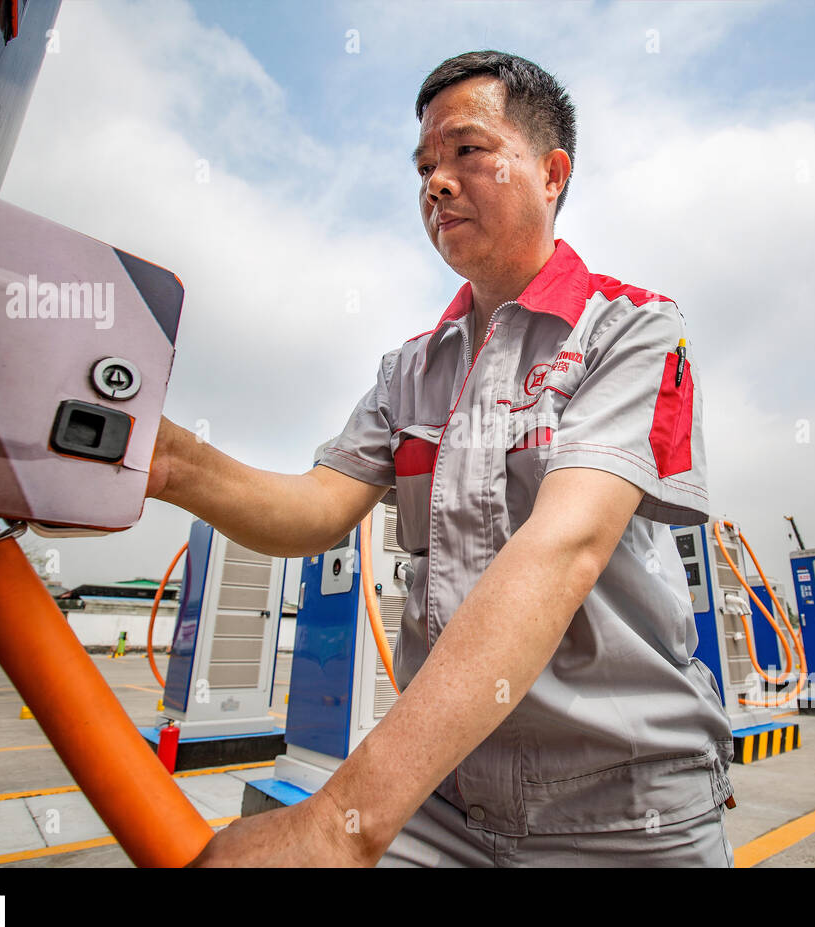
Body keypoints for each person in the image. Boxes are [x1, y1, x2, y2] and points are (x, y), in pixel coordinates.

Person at [150, 50, 733, 867]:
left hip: (624, 812)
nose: (436, 182)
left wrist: (340, 820)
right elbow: (317, 506)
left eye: (467, 152)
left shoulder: (632, 330)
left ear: (552, 172)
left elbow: (561, 551)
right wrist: (170, 461)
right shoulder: (411, 369)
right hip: (447, 798)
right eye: (424, 164)